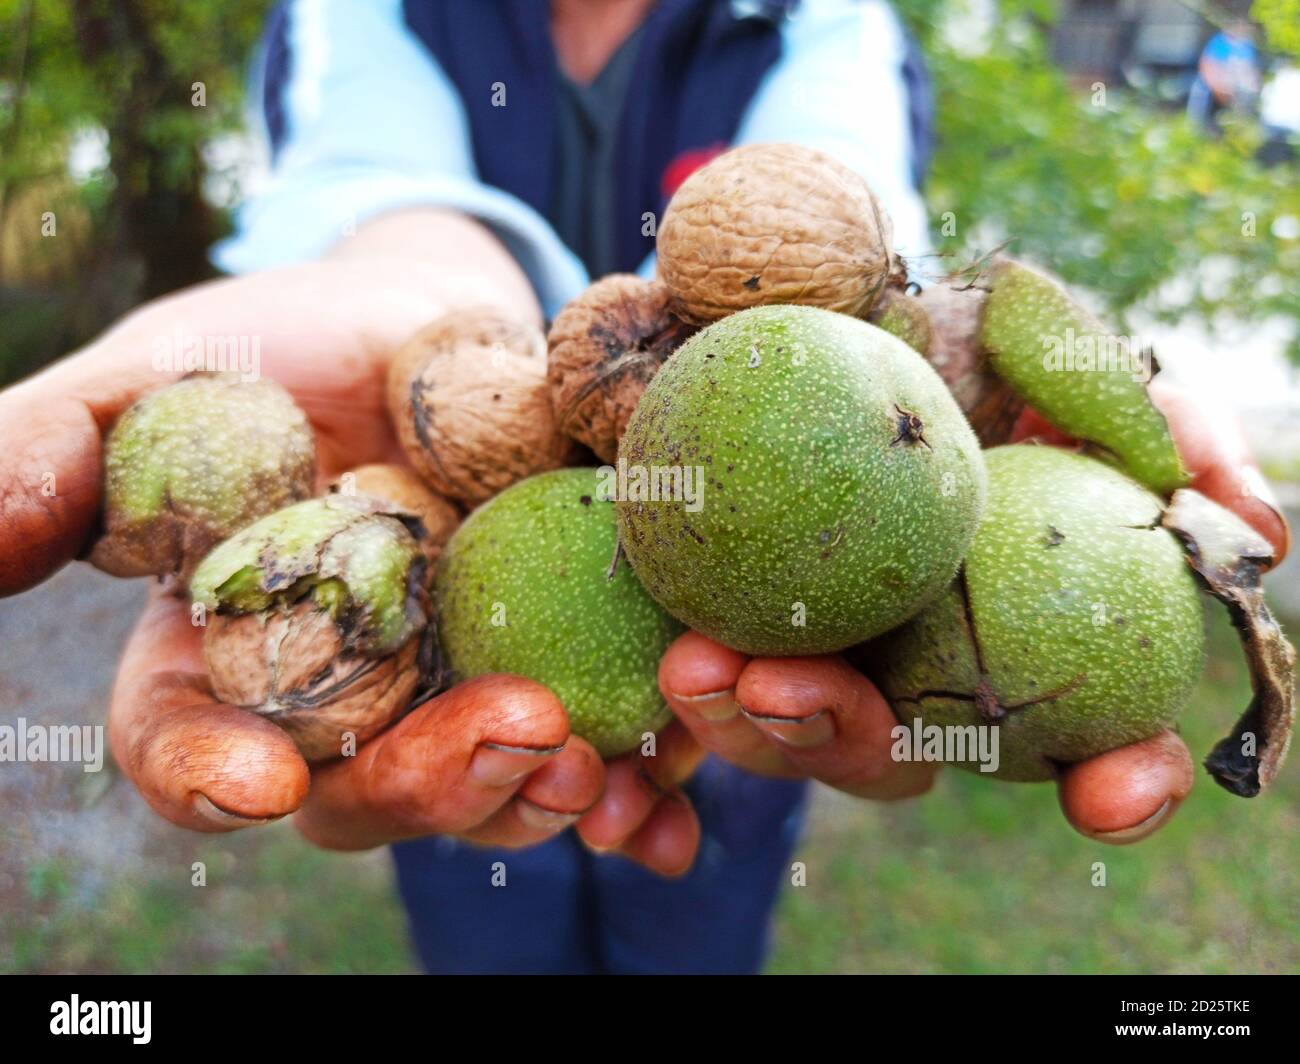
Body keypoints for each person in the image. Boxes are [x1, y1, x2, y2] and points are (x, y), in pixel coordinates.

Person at [0, 0, 1289, 974]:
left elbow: (842, 217)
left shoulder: (826, 18)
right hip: (467, 643)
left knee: (699, 902)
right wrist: (398, 294)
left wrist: (1035, 355)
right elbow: (360, 181)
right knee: (478, 897)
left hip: (754, 670)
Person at [1187, 17, 1263, 132]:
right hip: (1217, 88)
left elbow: (1253, 70)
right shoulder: (1219, 42)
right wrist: (1220, 89)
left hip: (1239, 90)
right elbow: (1208, 66)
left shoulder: (1247, 45)